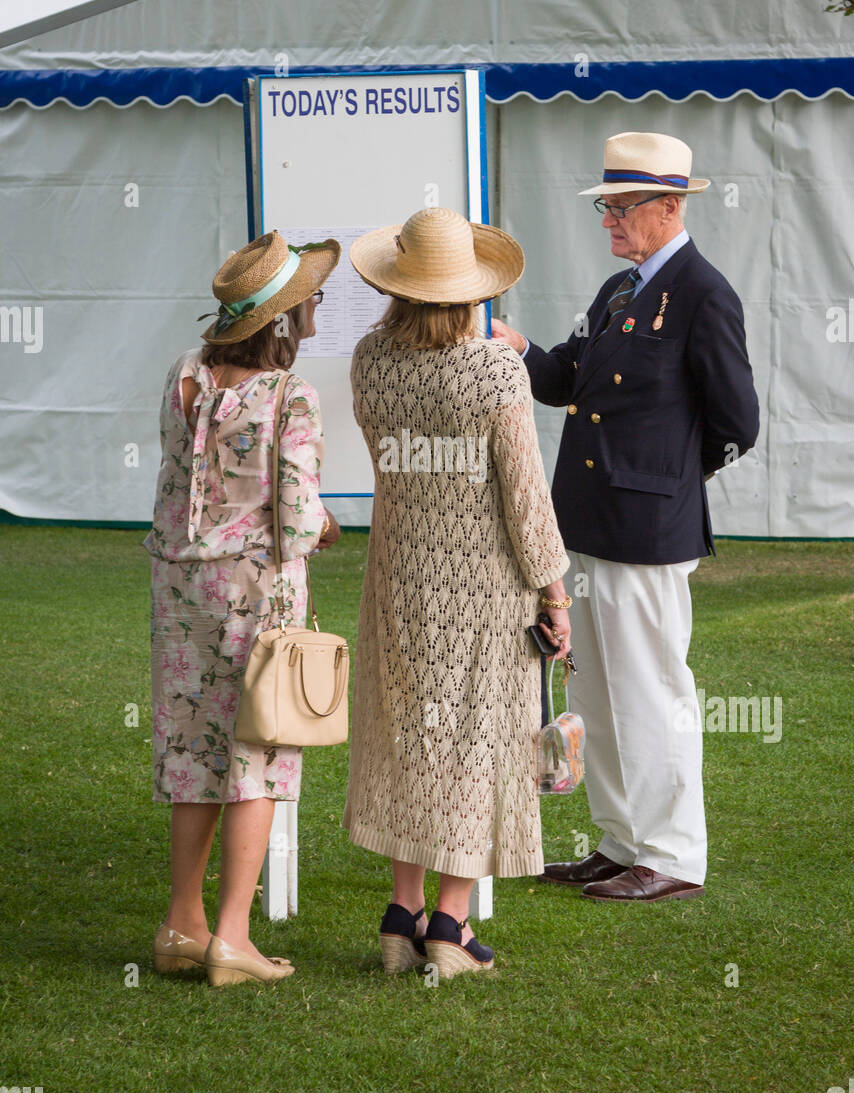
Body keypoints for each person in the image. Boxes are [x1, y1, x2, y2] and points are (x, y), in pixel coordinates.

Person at [492, 131, 760, 902]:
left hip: (647, 529)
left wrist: (670, 478)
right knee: (597, 695)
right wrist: (518, 346)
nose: (607, 219)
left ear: (669, 207)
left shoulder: (706, 295)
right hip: (590, 521)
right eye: (604, 205)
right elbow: (569, 379)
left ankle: (673, 856)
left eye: (621, 207)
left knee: (651, 693)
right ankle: (620, 841)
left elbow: (737, 422)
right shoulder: (619, 290)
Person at [342, 206, 571, 979]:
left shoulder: (370, 362)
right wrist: (554, 594)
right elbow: (525, 496)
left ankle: (399, 918)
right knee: (474, 746)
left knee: (411, 742)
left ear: (400, 286)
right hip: (483, 587)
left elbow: (391, 466)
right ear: (471, 291)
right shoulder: (496, 370)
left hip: (400, 578)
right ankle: (451, 924)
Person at [145, 230, 341, 984]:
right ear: (282, 320)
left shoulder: (181, 376)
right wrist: (323, 522)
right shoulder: (292, 395)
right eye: (310, 299)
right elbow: (294, 519)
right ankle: (232, 937)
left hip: (180, 589)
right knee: (255, 757)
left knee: (192, 753)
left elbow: (175, 485)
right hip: (258, 592)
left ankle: (181, 924)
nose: (318, 305)